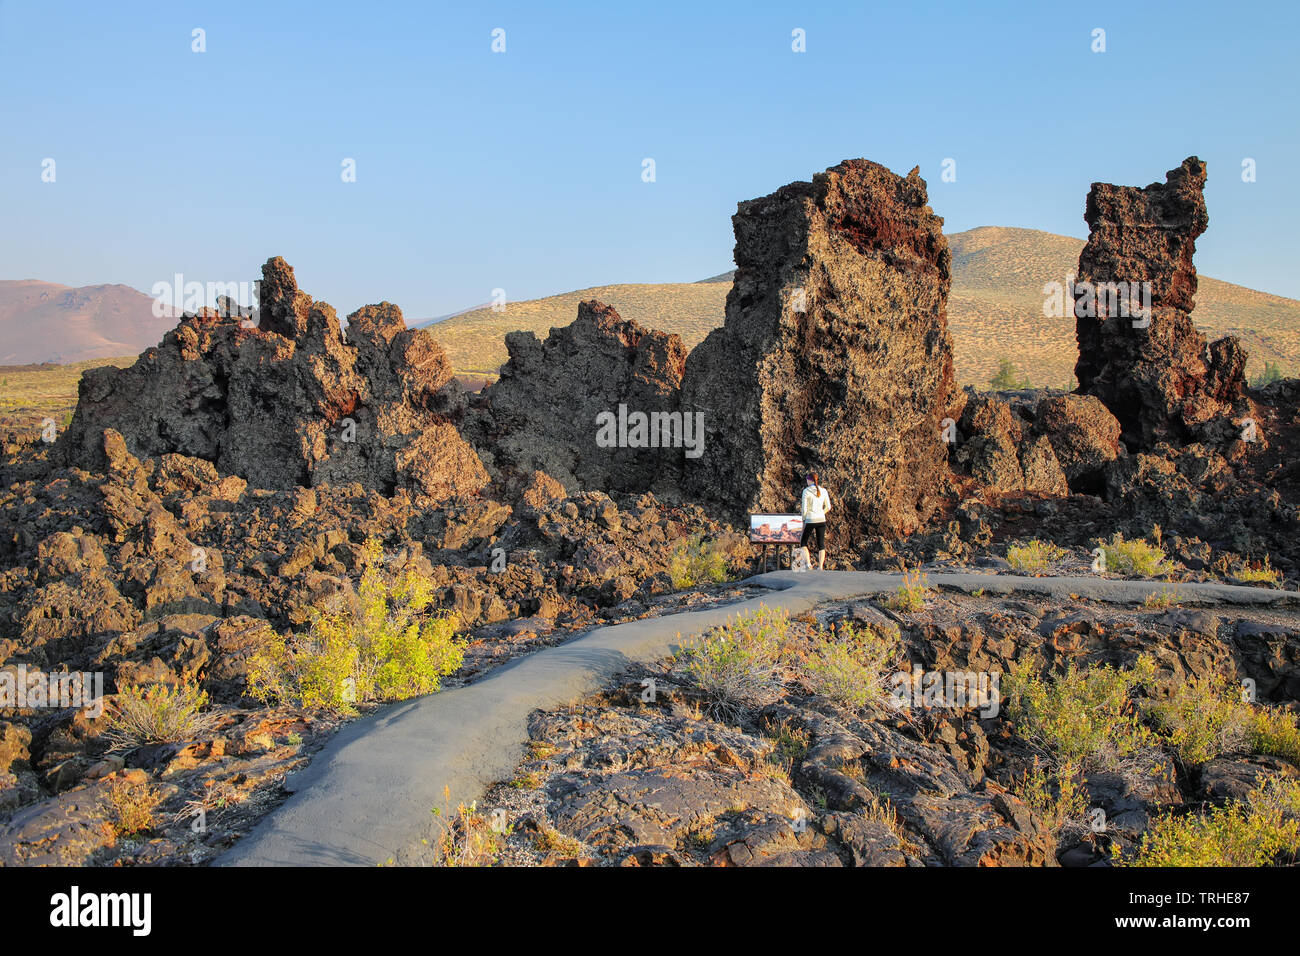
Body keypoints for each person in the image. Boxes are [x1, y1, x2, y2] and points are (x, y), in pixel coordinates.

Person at [799, 472, 830, 570]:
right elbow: (828, 507)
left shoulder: (806, 491)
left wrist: (804, 519)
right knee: (821, 543)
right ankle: (820, 566)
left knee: (803, 542)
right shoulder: (824, 490)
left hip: (810, 519)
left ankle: (808, 564)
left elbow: (804, 509)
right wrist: (821, 513)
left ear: (809, 480)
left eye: (807, 480)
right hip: (821, 519)